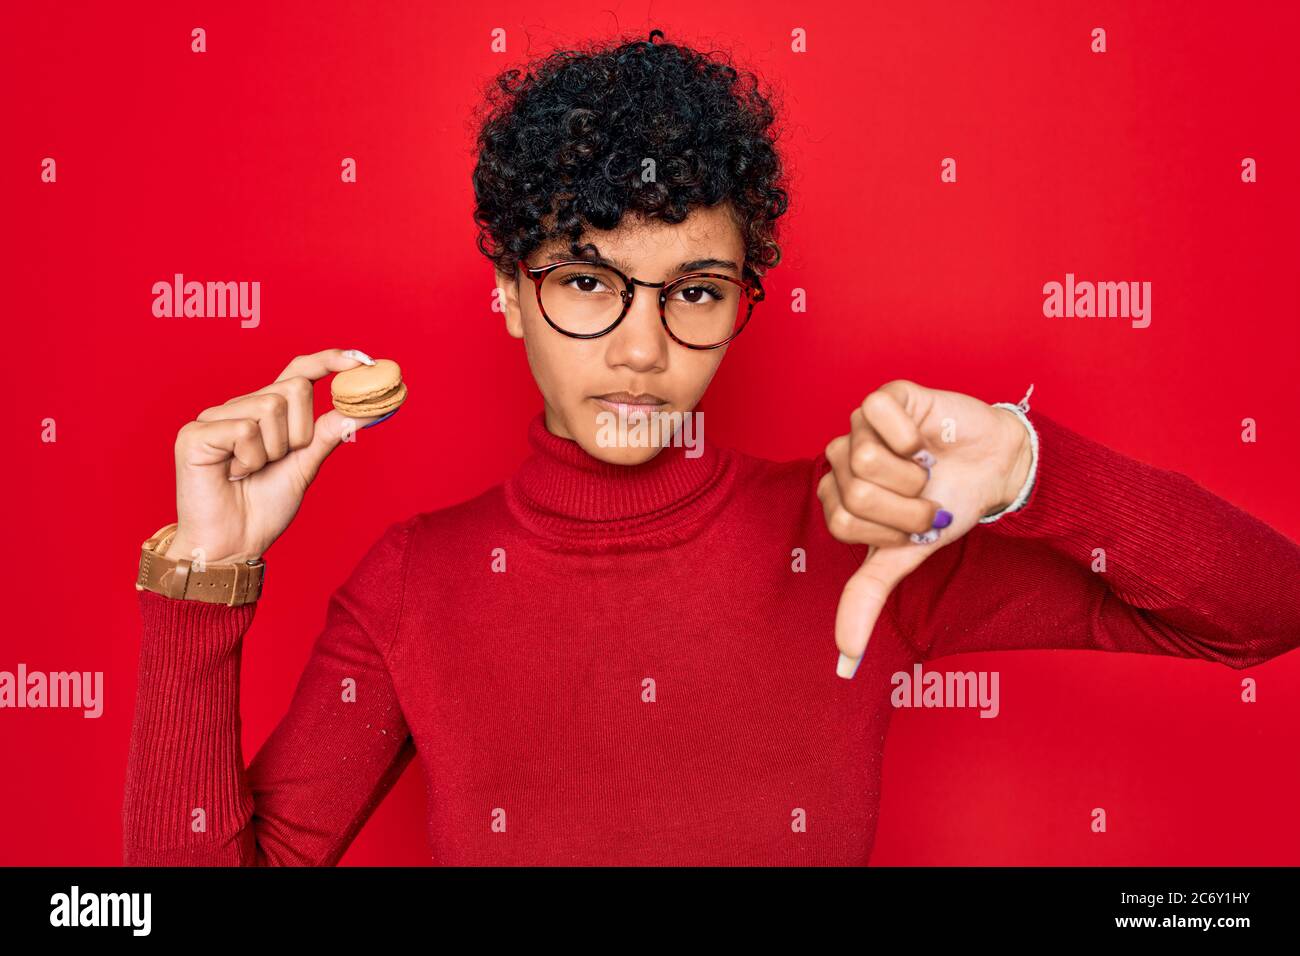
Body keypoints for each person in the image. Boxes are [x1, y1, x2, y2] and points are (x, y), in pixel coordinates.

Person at [123, 29, 1300, 865]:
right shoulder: (413, 580)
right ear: (510, 294)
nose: (641, 348)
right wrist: (199, 581)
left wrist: (1033, 464)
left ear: (742, 299)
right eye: (587, 280)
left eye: (693, 288)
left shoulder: (856, 540)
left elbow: (1262, 609)